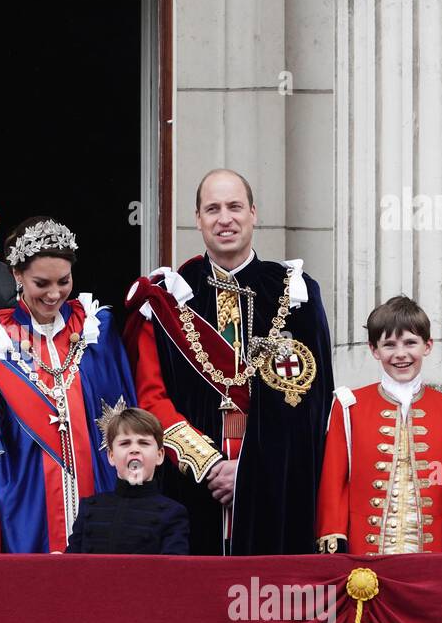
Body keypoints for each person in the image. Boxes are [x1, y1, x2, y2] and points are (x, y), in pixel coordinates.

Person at [125, 168, 334, 555]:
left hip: (274, 482)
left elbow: (311, 402)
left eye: (235, 206)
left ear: (254, 212)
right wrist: (208, 465)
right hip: (190, 484)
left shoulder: (296, 293)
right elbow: (151, 399)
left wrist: (251, 469)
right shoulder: (168, 297)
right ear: (198, 219)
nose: (225, 218)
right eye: (213, 208)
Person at [0, 216, 137, 553]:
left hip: (98, 496)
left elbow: (125, 421)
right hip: (24, 505)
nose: (54, 294)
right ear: (17, 275)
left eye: (64, 281)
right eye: (41, 283)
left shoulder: (96, 329)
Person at [316, 296, 442, 555]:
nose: (401, 354)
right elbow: (334, 481)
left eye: (411, 343)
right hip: (365, 551)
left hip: (434, 551)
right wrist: (333, 536)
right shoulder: (349, 406)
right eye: (389, 345)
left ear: (427, 345)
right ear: (374, 350)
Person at [65, 405, 189, 556]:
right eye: (125, 443)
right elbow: (70, 567)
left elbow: (175, 573)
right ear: (111, 456)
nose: (134, 449)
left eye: (144, 443)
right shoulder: (89, 508)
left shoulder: (173, 513)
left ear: (159, 455)